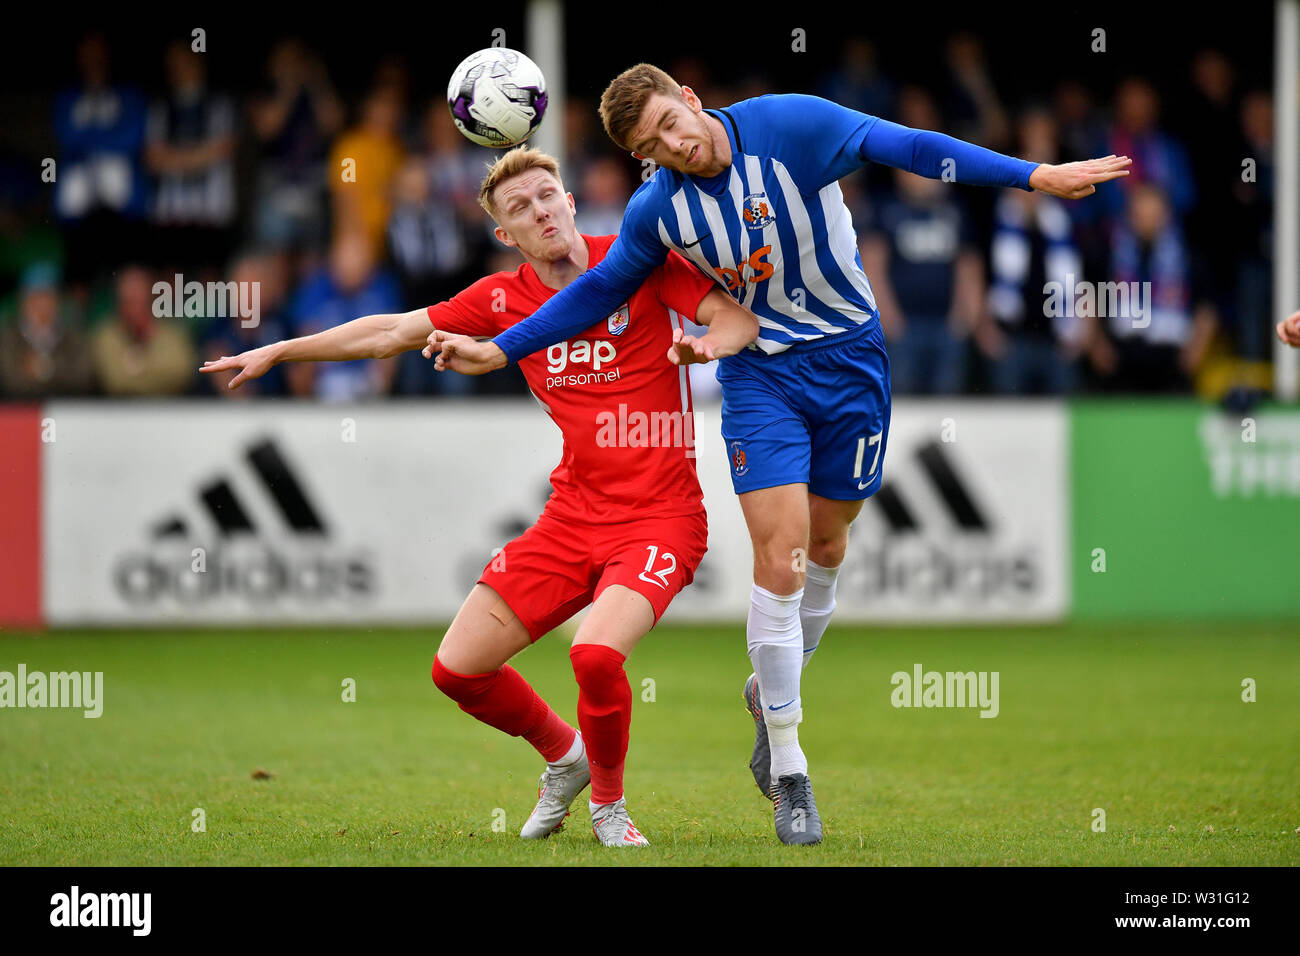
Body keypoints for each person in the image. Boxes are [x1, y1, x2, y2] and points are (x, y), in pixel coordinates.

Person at [432, 63, 1129, 845]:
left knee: (829, 542)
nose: (674, 145)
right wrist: (501, 351)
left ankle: (770, 696)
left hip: (852, 359)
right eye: (651, 146)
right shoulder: (658, 210)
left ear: (690, 100)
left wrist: (1033, 175)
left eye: (671, 122)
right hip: (760, 373)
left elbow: (910, 147)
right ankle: (792, 773)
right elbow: (594, 294)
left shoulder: (790, 126)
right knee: (782, 553)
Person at [200, 146, 758, 846]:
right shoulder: (501, 299)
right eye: (520, 208)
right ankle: (566, 756)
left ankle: (610, 808)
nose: (541, 210)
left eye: (548, 194)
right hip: (572, 516)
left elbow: (736, 318)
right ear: (506, 237)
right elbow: (390, 333)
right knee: (458, 668)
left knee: (593, 655)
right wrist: (281, 351)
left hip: (660, 517)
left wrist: (709, 345)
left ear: (571, 200)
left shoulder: (636, 259)